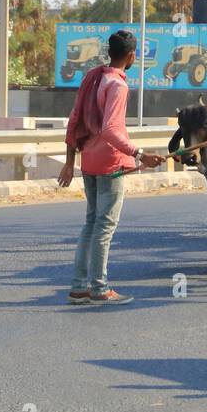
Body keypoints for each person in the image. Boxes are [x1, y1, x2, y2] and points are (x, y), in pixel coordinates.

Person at [59, 30, 165, 305]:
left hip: (89, 163)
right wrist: (140, 154)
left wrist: (71, 162)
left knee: (91, 224)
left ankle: (79, 287)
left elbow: (74, 121)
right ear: (131, 56)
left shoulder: (92, 78)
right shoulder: (117, 86)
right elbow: (110, 130)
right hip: (110, 165)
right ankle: (99, 288)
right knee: (104, 227)